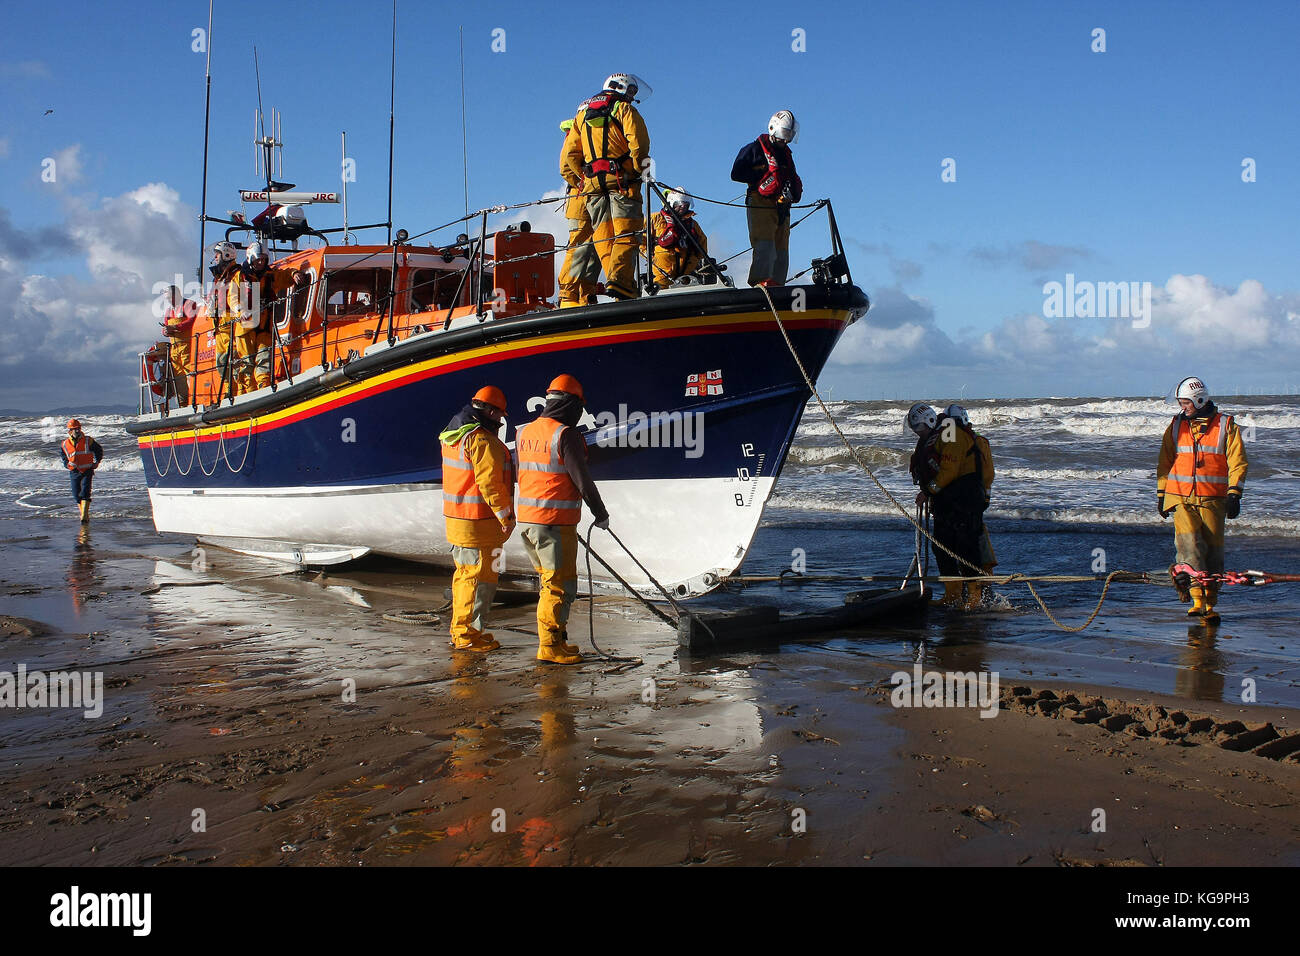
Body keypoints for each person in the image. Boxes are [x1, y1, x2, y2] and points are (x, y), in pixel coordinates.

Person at [514, 374, 610, 665]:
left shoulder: (524, 432)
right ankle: (550, 645)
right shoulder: (564, 435)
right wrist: (600, 512)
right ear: (570, 405)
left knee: (549, 582)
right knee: (559, 585)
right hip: (555, 523)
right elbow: (582, 480)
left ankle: (558, 640)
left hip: (530, 521)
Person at [1157, 376, 1247, 624]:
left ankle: (1211, 604)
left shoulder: (1226, 426)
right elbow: (1165, 462)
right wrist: (1162, 494)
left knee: (1213, 553)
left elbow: (1237, 462)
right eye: (1180, 403)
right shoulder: (1175, 426)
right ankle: (1197, 600)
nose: (1182, 407)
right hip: (1181, 498)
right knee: (1189, 547)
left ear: (1199, 399)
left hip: (1213, 499)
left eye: (1185, 402)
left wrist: (1234, 494)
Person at [561, 73, 650, 301]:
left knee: (604, 239)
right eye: (630, 91)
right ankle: (621, 285)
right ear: (620, 88)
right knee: (627, 234)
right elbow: (639, 146)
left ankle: (618, 287)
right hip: (622, 184)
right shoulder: (624, 111)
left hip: (592, 189)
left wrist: (583, 178)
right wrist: (637, 171)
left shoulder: (581, 116)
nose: (632, 96)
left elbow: (570, 155)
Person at [440, 386, 516, 652]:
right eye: (499, 416)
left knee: (474, 578)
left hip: (463, 520)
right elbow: (490, 484)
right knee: (473, 579)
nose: (500, 421)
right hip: (478, 522)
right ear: (492, 412)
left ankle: (472, 630)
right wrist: (506, 516)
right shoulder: (481, 440)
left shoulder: (454, 436)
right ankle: (464, 634)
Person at [913, 405, 986, 607]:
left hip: (965, 498)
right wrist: (932, 492)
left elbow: (950, 469)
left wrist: (929, 491)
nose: (918, 433)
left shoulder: (950, 432)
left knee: (966, 547)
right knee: (942, 547)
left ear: (929, 421)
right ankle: (952, 594)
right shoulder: (932, 438)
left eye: (919, 427)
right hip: (945, 500)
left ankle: (974, 597)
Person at [731, 110, 802, 287]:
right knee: (765, 245)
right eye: (785, 134)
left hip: (782, 205)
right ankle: (760, 282)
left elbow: (790, 175)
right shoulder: (753, 150)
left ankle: (777, 284)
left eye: (790, 135)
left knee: (782, 250)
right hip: (760, 202)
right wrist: (762, 177)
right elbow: (736, 173)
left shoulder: (786, 154)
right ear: (774, 129)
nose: (786, 140)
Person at [944, 403, 996, 608]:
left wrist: (984, 496)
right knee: (963, 542)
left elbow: (987, 473)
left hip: (972, 498)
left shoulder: (977, 442)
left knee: (973, 541)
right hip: (964, 498)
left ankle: (979, 587)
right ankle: (968, 587)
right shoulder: (964, 439)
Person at [557, 117, 601, 308]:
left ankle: (587, 295)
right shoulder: (574, 137)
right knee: (579, 246)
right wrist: (584, 184)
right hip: (581, 199)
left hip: (597, 197)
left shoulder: (593, 136)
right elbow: (565, 168)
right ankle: (568, 294)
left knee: (598, 247)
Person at [229, 241, 273, 395]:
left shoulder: (269, 276)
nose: (260, 262)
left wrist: (294, 273)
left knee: (264, 359)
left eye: (263, 259)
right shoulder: (240, 277)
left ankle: (264, 391)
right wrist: (240, 310)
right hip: (245, 327)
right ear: (250, 259)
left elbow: (284, 276)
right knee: (246, 363)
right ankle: (249, 395)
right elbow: (233, 297)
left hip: (263, 326)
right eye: (257, 259)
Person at [649, 187, 709, 285]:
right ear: (671, 203)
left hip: (688, 277)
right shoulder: (655, 219)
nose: (682, 208)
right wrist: (650, 255)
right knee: (660, 286)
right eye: (679, 205)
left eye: (685, 205)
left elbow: (702, 245)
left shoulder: (693, 224)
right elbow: (641, 240)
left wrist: (698, 260)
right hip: (662, 275)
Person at [207, 241, 241, 401]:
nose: (215, 257)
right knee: (222, 364)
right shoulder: (220, 277)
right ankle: (229, 394)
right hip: (220, 328)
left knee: (235, 363)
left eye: (217, 254)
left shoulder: (236, 275)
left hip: (233, 325)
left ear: (226, 255)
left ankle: (240, 395)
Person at [59, 419, 103, 524]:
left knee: (85, 492)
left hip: (87, 470)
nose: (77, 431)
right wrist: (67, 465)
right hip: (74, 471)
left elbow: (99, 450)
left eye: (78, 428)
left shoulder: (88, 440)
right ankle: (83, 513)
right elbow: (64, 456)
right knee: (76, 495)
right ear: (70, 431)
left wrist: (97, 462)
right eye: (75, 429)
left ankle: (84, 516)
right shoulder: (65, 444)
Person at [161, 285, 196, 406]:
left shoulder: (188, 304)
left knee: (190, 373)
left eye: (170, 297)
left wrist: (176, 327)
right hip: (174, 348)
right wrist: (165, 331)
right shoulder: (168, 311)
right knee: (178, 376)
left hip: (188, 345)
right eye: (167, 298)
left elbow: (193, 321)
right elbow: (165, 326)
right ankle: (183, 402)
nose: (169, 300)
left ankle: (194, 399)